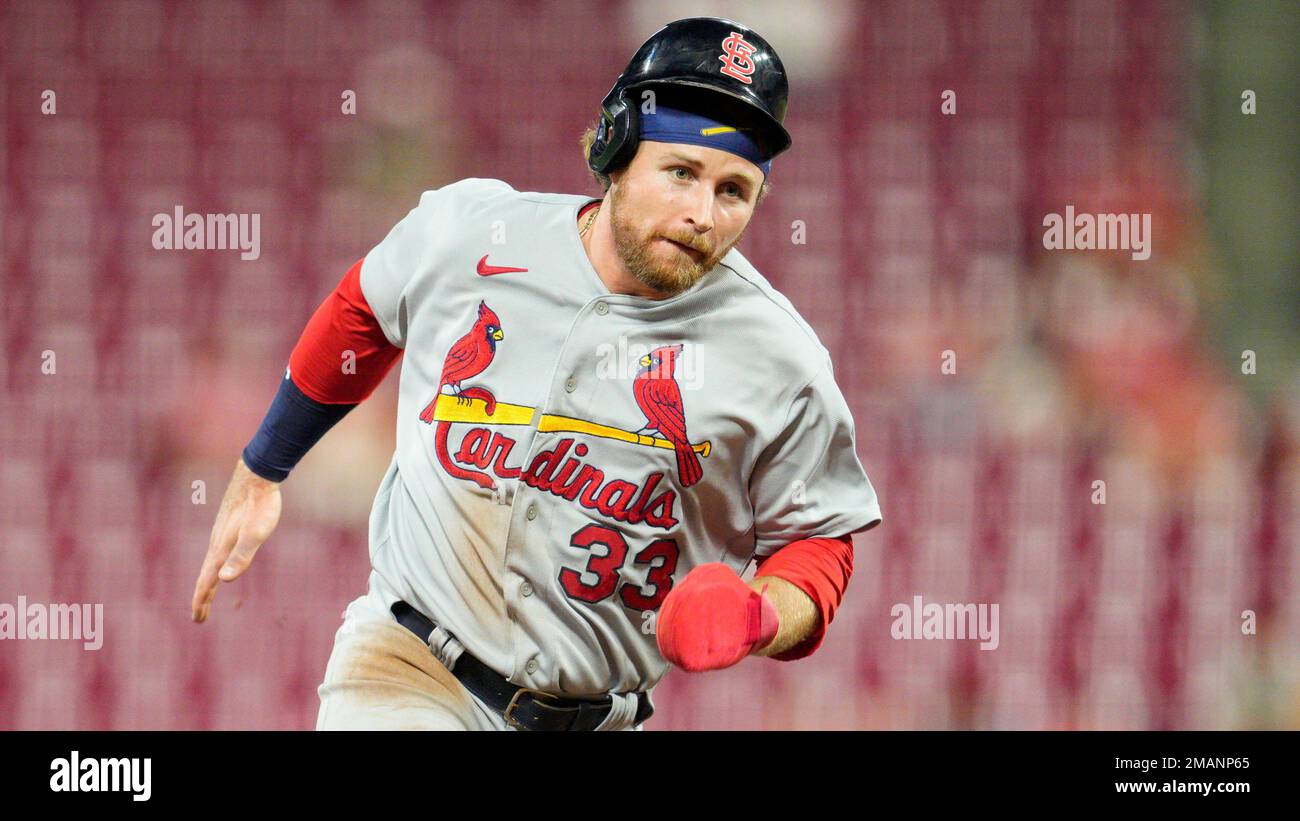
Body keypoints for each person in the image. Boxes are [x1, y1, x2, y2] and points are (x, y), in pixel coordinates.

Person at [190, 16, 881, 731]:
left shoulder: (776, 354)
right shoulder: (473, 235)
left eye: (733, 190)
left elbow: (821, 539)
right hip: (411, 672)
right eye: (681, 172)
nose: (702, 213)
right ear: (615, 150)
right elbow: (363, 308)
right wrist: (263, 466)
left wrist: (760, 614)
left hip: (603, 716)